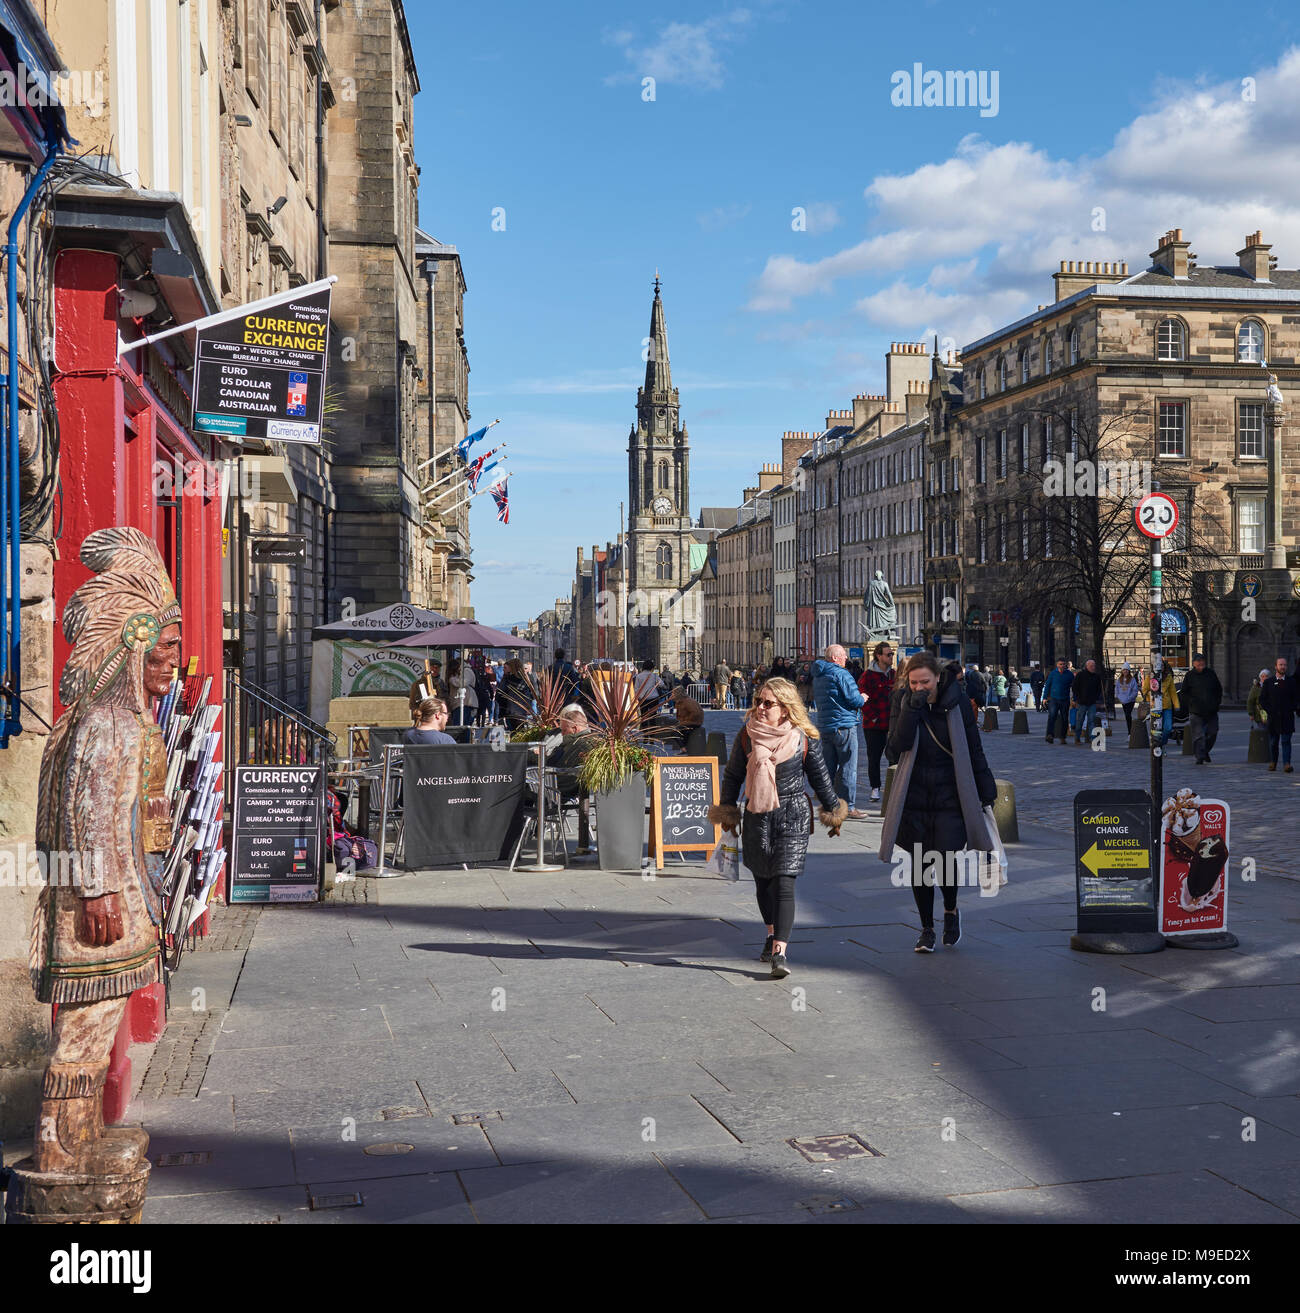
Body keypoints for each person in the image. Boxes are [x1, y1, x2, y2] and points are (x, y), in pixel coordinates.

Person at [709, 677, 847, 979]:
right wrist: (728, 810)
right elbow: (733, 775)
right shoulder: (747, 736)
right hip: (757, 813)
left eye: (767, 703)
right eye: (758, 701)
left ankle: (780, 951)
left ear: (785, 709)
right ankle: (771, 932)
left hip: (793, 813)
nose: (759, 707)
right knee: (763, 882)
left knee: (784, 881)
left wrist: (833, 811)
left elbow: (820, 777)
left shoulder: (803, 738)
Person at [880, 653, 997, 953]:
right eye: (913, 682)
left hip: (950, 791)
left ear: (938, 678)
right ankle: (926, 928)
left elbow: (973, 748)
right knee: (920, 862)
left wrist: (986, 788)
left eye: (925, 682)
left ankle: (951, 910)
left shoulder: (958, 702)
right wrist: (911, 711)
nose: (919, 687)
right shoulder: (902, 700)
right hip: (914, 791)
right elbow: (894, 750)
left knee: (944, 859)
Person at [811, 643, 868, 820]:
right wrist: (863, 698)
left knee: (828, 767)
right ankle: (847, 807)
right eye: (843, 655)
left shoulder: (818, 675)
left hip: (825, 726)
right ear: (835, 658)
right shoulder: (841, 673)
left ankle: (828, 804)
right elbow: (854, 700)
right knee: (848, 767)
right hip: (844, 725)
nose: (846, 658)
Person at [547, 704, 597, 852]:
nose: (562, 734)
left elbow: (564, 774)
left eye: (564, 730)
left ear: (574, 729)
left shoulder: (579, 745)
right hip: (558, 787)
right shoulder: (575, 742)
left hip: (557, 790)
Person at [857, 640, 894, 807]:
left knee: (896, 757)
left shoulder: (894, 674)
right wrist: (873, 717)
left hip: (892, 724)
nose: (892, 656)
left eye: (892, 654)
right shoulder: (868, 675)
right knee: (874, 758)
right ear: (879, 656)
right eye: (889, 654)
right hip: (873, 726)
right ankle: (875, 788)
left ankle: (896, 789)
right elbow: (862, 699)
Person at [1180, 652, 1223, 765]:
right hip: (1196, 711)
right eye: (1198, 662)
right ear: (1194, 663)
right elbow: (1183, 693)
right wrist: (1191, 703)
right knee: (1198, 735)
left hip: (1211, 710)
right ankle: (1199, 756)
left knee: (1212, 733)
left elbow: (1218, 689)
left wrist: (1216, 703)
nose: (1200, 663)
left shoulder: (1211, 673)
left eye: (1202, 661)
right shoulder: (1189, 675)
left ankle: (1205, 751)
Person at [1260, 657, 1297, 772]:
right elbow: (1263, 699)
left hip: (1287, 717)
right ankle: (1273, 762)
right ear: (1276, 666)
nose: (1283, 667)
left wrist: (1292, 708)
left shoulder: (1291, 681)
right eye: (1280, 665)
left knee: (1286, 741)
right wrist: (1270, 710)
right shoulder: (1268, 682)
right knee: (1273, 742)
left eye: (1285, 665)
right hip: (1273, 717)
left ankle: (1287, 764)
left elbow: (1296, 698)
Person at [1145, 660, 1179, 746]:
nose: (1161, 668)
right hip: (1155, 706)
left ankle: (1162, 743)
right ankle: (1158, 745)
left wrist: (1176, 705)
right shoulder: (1150, 676)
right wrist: (1150, 700)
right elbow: (1145, 690)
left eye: (1162, 666)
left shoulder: (1168, 677)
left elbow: (1173, 692)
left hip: (1167, 706)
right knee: (1157, 728)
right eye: (1158, 666)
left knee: (1168, 727)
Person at [1042, 656, 1073, 744]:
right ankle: (1050, 735)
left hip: (1065, 699)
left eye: (1063, 664)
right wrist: (1044, 698)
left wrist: (1074, 698)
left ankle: (1062, 737)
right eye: (1060, 664)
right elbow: (1047, 685)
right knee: (1052, 717)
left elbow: (1074, 686)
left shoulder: (1069, 674)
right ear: (1057, 665)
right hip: (1054, 699)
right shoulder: (1053, 674)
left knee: (1064, 719)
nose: (1062, 666)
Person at [1071, 658, 1102, 745]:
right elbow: (1074, 687)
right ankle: (1077, 738)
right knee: (1079, 721)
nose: (1093, 667)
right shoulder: (1080, 675)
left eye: (1094, 666)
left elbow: (1099, 689)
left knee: (1091, 721)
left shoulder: (1096, 676)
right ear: (1087, 666)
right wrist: (1077, 699)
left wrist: (1097, 699)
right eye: (1091, 666)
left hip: (1092, 702)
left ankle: (1092, 739)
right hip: (1082, 702)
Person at [498, 658, 534, 730]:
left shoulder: (508, 679)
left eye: (506, 668)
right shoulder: (525, 680)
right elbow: (531, 695)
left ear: (511, 667)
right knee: (520, 734)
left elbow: (499, 695)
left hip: (510, 712)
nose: (503, 670)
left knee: (510, 734)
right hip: (522, 712)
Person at [408, 658, 447, 723]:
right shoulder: (418, 684)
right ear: (427, 668)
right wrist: (418, 714)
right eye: (432, 667)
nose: (435, 670)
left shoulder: (441, 683)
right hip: (423, 718)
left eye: (437, 668)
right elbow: (412, 704)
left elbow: (446, 699)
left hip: (438, 717)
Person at [446, 656, 479, 726]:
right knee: (460, 726)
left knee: (461, 727)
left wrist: (452, 679)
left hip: (464, 703)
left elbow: (463, 683)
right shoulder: (461, 672)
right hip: (459, 703)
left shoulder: (466, 671)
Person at [1114, 662, 1140, 732]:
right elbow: (1117, 689)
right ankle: (1130, 731)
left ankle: (1130, 732)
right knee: (1127, 716)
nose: (1125, 671)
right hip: (1123, 701)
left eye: (1127, 670)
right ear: (1122, 671)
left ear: (1129, 671)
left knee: (1128, 715)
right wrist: (1118, 697)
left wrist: (1129, 698)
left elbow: (1135, 691)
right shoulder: (1119, 680)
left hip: (1130, 701)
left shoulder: (1132, 680)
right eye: (1124, 670)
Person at [1247, 667, 1269, 732]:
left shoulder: (1272, 686)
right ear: (1260, 677)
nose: (1264, 678)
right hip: (1260, 714)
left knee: (1270, 733)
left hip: (1271, 714)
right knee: (1263, 731)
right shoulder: (1256, 688)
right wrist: (1251, 714)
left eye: (1266, 676)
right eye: (1262, 676)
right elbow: (1250, 701)